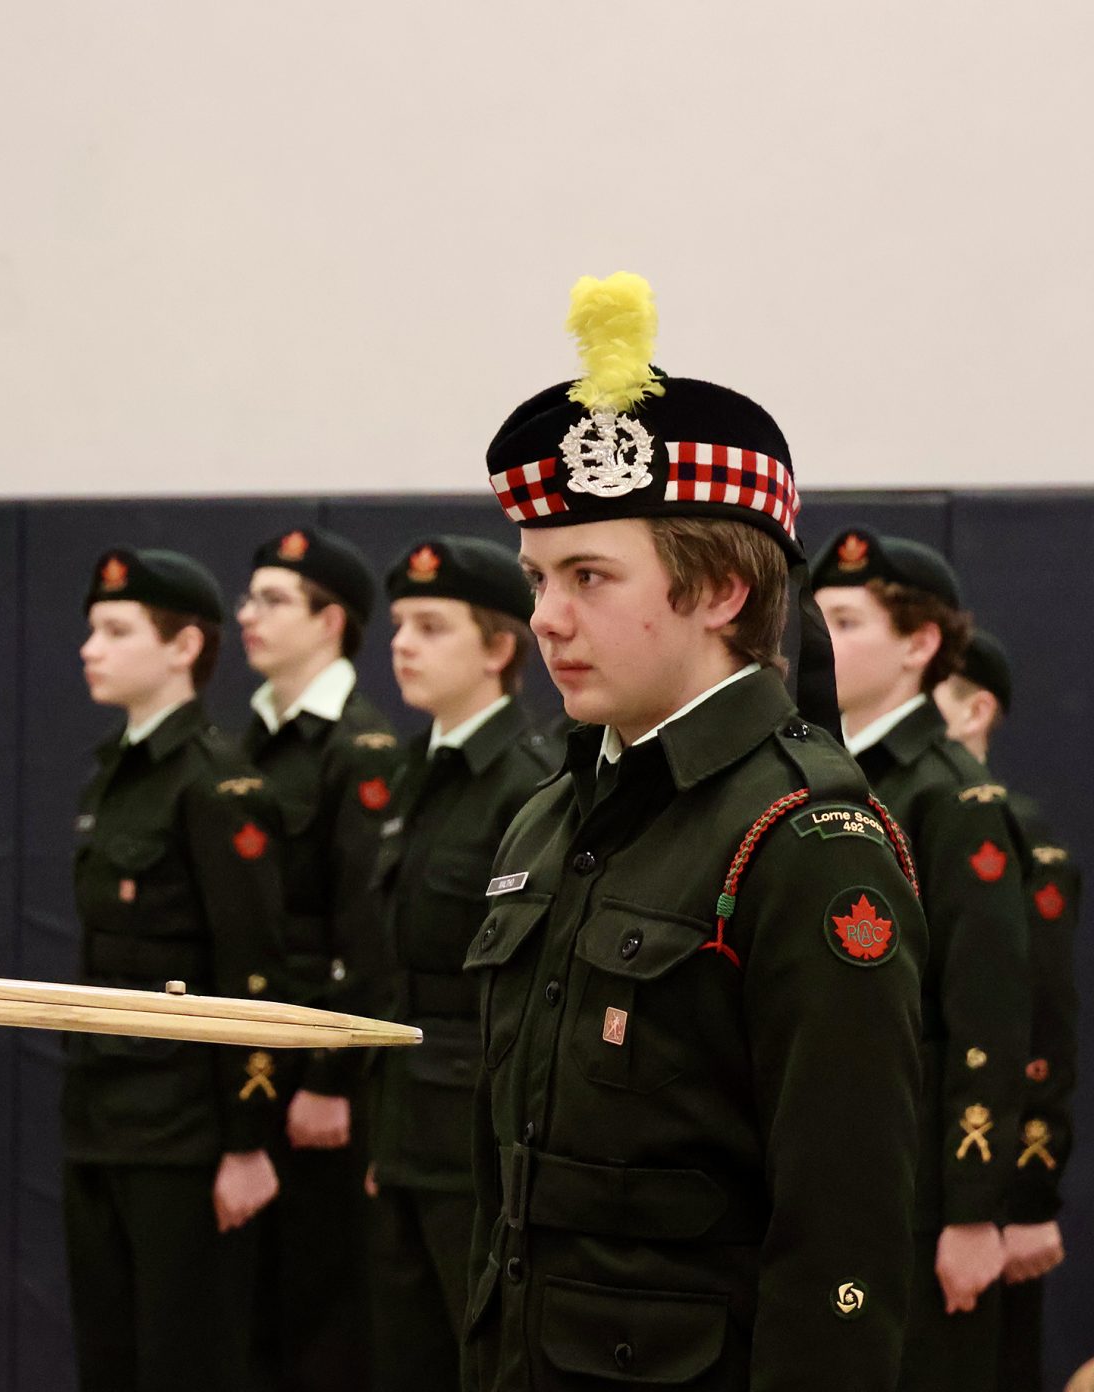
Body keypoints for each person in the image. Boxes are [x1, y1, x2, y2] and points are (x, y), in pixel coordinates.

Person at [463, 273, 926, 1390]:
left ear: (720, 590)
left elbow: (841, 1231)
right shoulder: (548, 817)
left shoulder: (804, 839)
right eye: (537, 578)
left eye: (587, 576)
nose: (544, 618)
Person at [811, 528, 1034, 1392]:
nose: (821, 641)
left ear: (920, 644)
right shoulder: (810, 773)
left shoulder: (950, 794)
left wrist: (972, 1214)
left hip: (917, 1184)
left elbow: (989, 1014)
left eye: (847, 621)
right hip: (824, 1161)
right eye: (816, 620)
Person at [64, 546, 288, 1392]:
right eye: (92, 628)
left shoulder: (216, 783)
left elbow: (254, 971)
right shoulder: (112, 775)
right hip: (99, 1113)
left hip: (185, 1134)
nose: (90, 648)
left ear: (184, 646)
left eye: (117, 630)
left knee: (185, 1360)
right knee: (107, 1360)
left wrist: (247, 1142)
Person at [363, 535, 552, 1392]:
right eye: (400, 624)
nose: (402, 644)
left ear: (499, 648)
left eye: (432, 627)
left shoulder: (531, 782)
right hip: (405, 1122)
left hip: (482, 1140)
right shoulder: (416, 770)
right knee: (404, 1360)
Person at [238, 524, 396, 1391]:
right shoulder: (247, 743)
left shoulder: (357, 748)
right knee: (253, 1314)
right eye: (249, 598)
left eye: (272, 600)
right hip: (253, 1063)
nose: (247, 616)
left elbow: (367, 930)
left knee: (325, 1308)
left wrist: (332, 1075)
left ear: (330, 620)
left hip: (317, 1073)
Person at [931, 629, 1078, 1392]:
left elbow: (1039, 1022)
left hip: (988, 1185)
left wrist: (1028, 1197)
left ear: (974, 711)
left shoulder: (1020, 833)